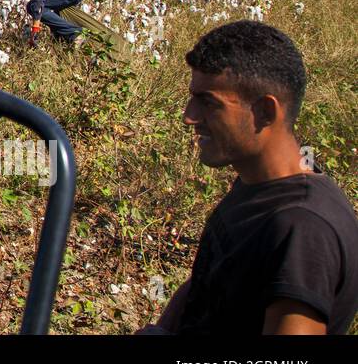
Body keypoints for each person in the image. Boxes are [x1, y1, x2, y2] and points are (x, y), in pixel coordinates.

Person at [142, 21, 358, 335]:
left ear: (265, 112)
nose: (189, 116)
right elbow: (209, 282)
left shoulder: (303, 229)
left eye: (209, 103)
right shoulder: (257, 184)